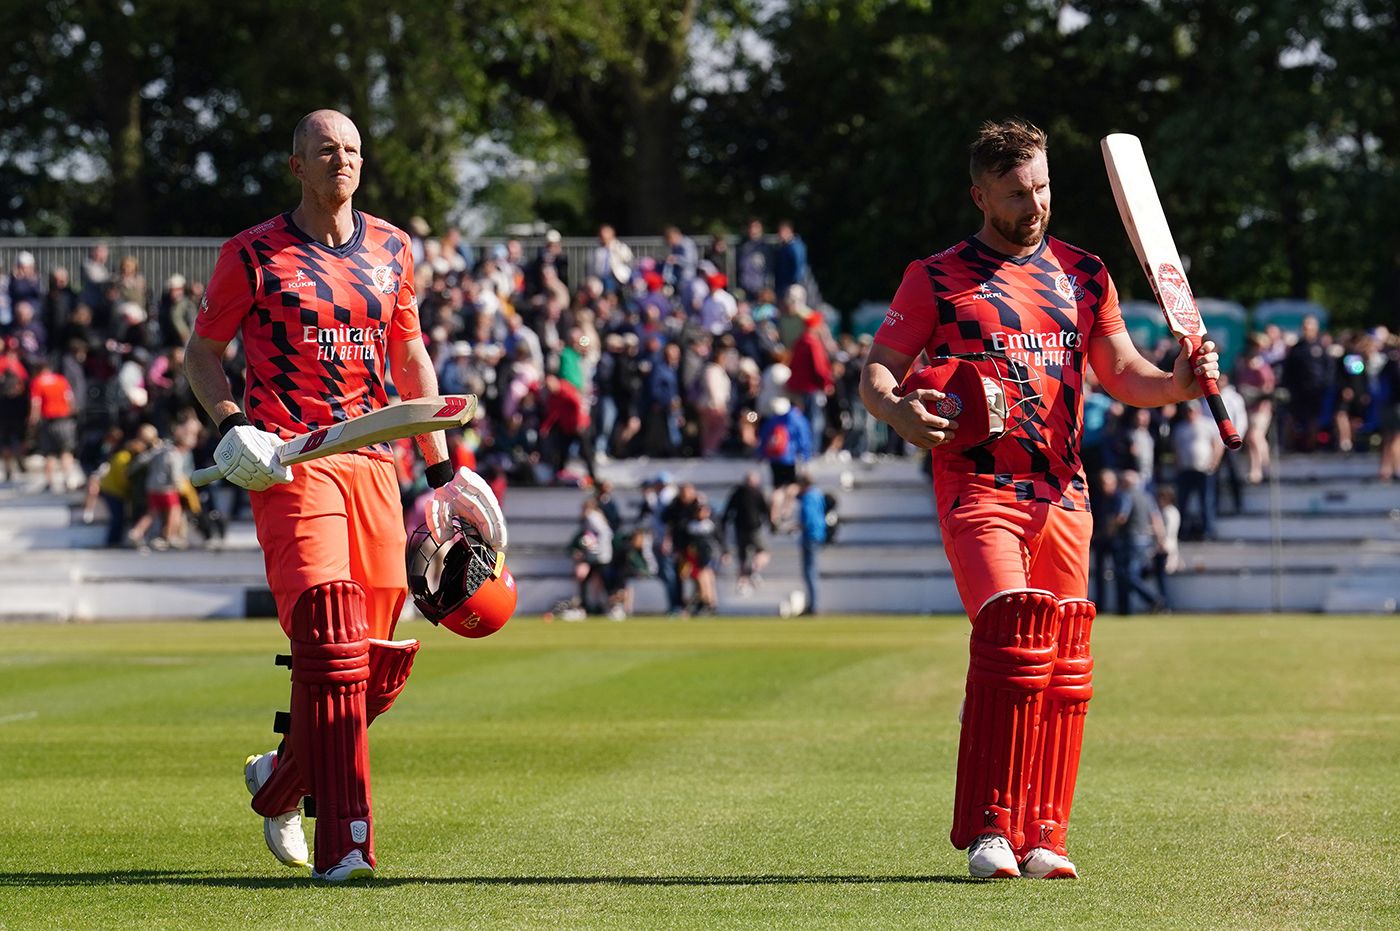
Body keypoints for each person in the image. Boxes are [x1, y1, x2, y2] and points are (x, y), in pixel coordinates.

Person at [858, 118, 1222, 880]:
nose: (1035, 205)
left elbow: (1122, 371)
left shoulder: (1085, 273)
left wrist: (1180, 384)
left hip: (1064, 494)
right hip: (978, 485)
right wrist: (898, 412)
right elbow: (878, 372)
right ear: (980, 194)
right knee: (1011, 634)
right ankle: (991, 830)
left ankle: (1044, 831)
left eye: (1044, 187)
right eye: (1018, 193)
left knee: (1063, 664)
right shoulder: (935, 276)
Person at [184, 109, 509, 883]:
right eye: (326, 149)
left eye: (354, 148)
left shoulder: (394, 248)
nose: (343, 159)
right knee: (329, 630)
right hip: (292, 461)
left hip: (376, 464)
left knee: (376, 663)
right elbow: (203, 355)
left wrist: (442, 472)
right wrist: (232, 427)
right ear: (296, 165)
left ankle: (283, 779)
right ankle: (347, 842)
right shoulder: (252, 254)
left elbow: (410, 356)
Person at [793, 473, 827, 616]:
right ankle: (812, 604)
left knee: (809, 571)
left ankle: (813, 605)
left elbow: (807, 519)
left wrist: (795, 527)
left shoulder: (807, 497)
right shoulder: (818, 495)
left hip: (810, 535)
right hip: (819, 533)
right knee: (811, 570)